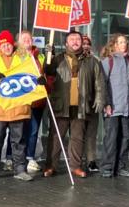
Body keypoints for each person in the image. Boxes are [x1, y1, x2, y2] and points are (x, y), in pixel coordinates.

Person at [43, 30, 106, 179]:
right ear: (66, 43)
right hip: (61, 104)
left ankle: (75, 166)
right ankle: (51, 165)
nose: (75, 41)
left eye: (77, 39)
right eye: (71, 39)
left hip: (81, 105)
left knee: (77, 138)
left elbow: (99, 83)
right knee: (56, 137)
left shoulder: (92, 61)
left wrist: (100, 99)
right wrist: (48, 55)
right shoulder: (58, 59)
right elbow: (47, 70)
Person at [0, 30, 34, 181]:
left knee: (19, 141)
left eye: (9, 44)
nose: (6, 47)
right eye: (3, 45)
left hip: (18, 107)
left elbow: (34, 74)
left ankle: (20, 170)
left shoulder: (23, 57)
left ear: (13, 44)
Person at [99, 34, 129, 178]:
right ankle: (107, 167)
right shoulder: (108, 61)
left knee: (125, 138)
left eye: (125, 42)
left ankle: (121, 166)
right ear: (114, 44)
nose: (123, 44)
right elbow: (102, 83)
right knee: (111, 138)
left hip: (125, 106)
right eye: (120, 42)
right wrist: (107, 103)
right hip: (113, 106)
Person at [17, 30, 47, 173]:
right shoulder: (16, 56)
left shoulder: (39, 55)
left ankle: (29, 157)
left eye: (29, 38)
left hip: (36, 99)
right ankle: (14, 157)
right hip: (21, 99)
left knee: (34, 130)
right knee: (18, 130)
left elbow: (45, 72)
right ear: (19, 41)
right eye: (24, 39)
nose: (28, 40)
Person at [80, 35, 101, 173]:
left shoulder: (95, 61)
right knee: (78, 134)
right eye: (83, 43)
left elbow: (99, 82)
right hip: (78, 104)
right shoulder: (74, 60)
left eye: (88, 44)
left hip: (92, 102)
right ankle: (78, 159)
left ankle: (91, 160)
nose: (85, 46)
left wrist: (99, 99)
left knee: (91, 134)